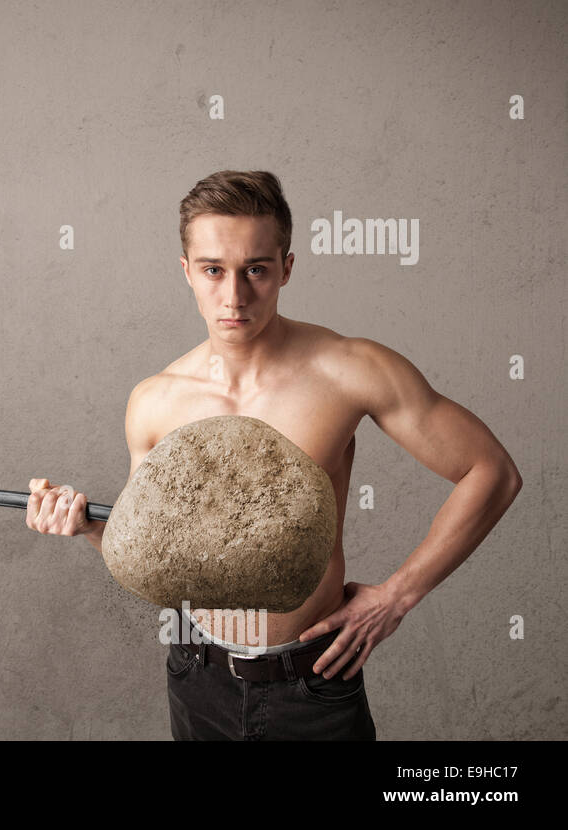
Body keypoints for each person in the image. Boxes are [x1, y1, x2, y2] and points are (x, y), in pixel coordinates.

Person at [26, 170, 522, 740]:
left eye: (255, 270)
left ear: (286, 267)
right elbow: (155, 559)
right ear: (186, 271)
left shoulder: (348, 368)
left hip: (309, 682)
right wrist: (86, 525)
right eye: (213, 270)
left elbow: (492, 471)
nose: (234, 296)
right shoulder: (155, 401)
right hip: (197, 674)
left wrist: (397, 596)